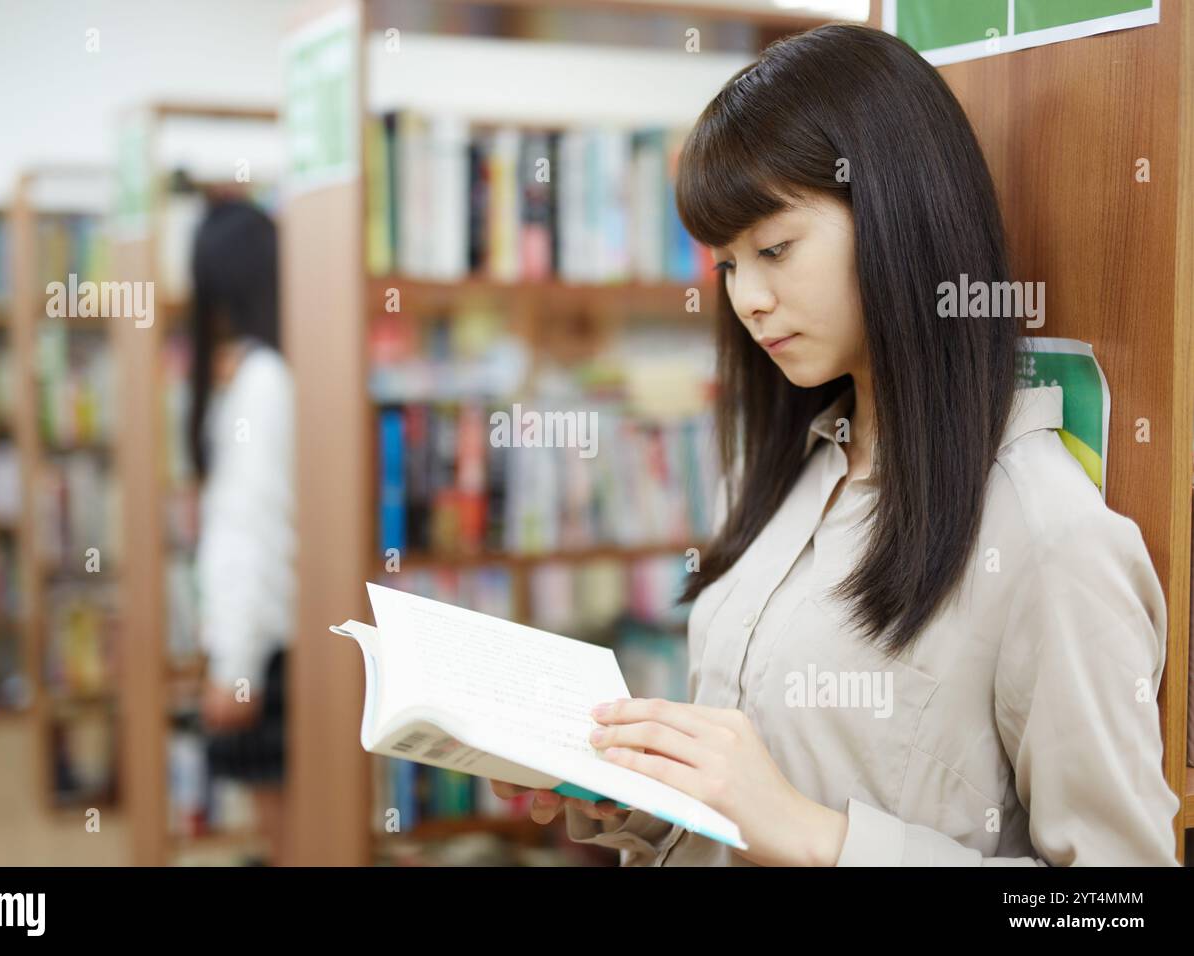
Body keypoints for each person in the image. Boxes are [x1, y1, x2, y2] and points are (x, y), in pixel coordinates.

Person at [493, 23, 1180, 865]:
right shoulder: (784, 472)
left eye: (775, 250)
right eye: (729, 265)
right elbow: (748, 804)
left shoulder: (1049, 540)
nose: (749, 299)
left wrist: (821, 840)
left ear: (899, 216)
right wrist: (636, 796)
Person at [188, 198, 295, 865]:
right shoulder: (277, 370)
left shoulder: (261, 380)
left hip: (271, 650)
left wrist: (235, 666)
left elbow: (249, 530)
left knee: (285, 836)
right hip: (281, 645)